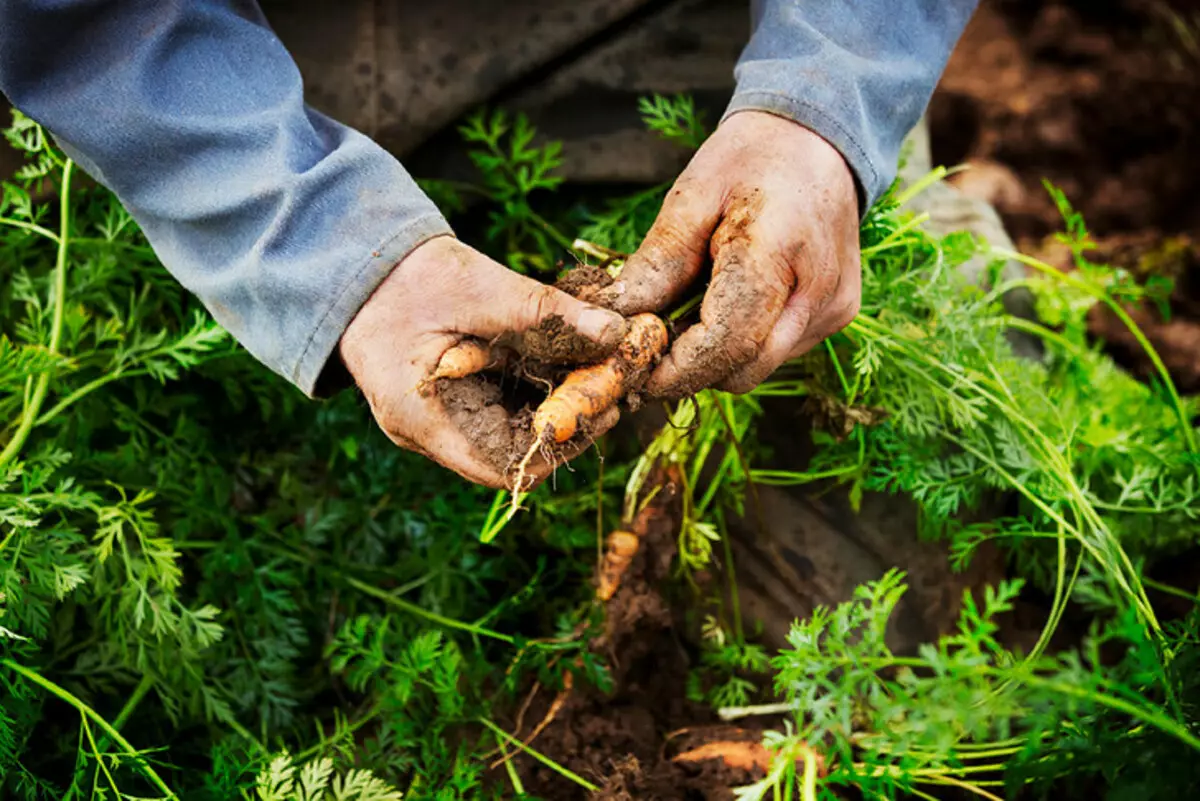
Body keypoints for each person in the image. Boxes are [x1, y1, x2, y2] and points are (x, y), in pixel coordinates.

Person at [0, 0, 977, 488]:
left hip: (687, 34)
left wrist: (821, 106)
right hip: (207, 59)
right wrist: (308, 234)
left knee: (898, 564)